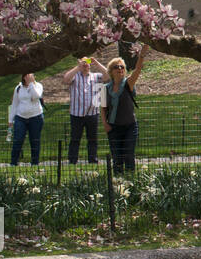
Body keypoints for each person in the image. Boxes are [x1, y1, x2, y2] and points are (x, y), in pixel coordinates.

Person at [103, 45, 147, 173]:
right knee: (117, 158)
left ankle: (131, 180)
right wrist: (105, 124)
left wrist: (141, 56)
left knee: (128, 155)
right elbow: (103, 108)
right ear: (111, 71)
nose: (120, 69)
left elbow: (137, 70)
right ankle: (117, 183)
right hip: (114, 127)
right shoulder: (104, 88)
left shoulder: (129, 83)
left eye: (122, 67)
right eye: (117, 67)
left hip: (130, 126)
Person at [63, 55, 108, 165]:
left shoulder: (96, 76)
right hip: (76, 114)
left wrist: (96, 62)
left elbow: (108, 75)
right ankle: (72, 160)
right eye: (83, 63)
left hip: (92, 113)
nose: (85, 65)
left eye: (87, 63)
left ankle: (93, 160)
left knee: (92, 139)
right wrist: (77, 67)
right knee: (75, 139)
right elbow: (66, 79)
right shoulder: (75, 76)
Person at [9, 72, 46, 166]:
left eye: (32, 75)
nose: (30, 77)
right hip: (21, 117)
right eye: (28, 75)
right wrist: (10, 120)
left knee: (35, 140)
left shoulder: (38, 86)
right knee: (18, 140)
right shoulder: (18, 88)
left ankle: (35, 163)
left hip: (36, 117)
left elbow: (36, 96)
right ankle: (13, 163)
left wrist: (31, 85)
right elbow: (14, 104)